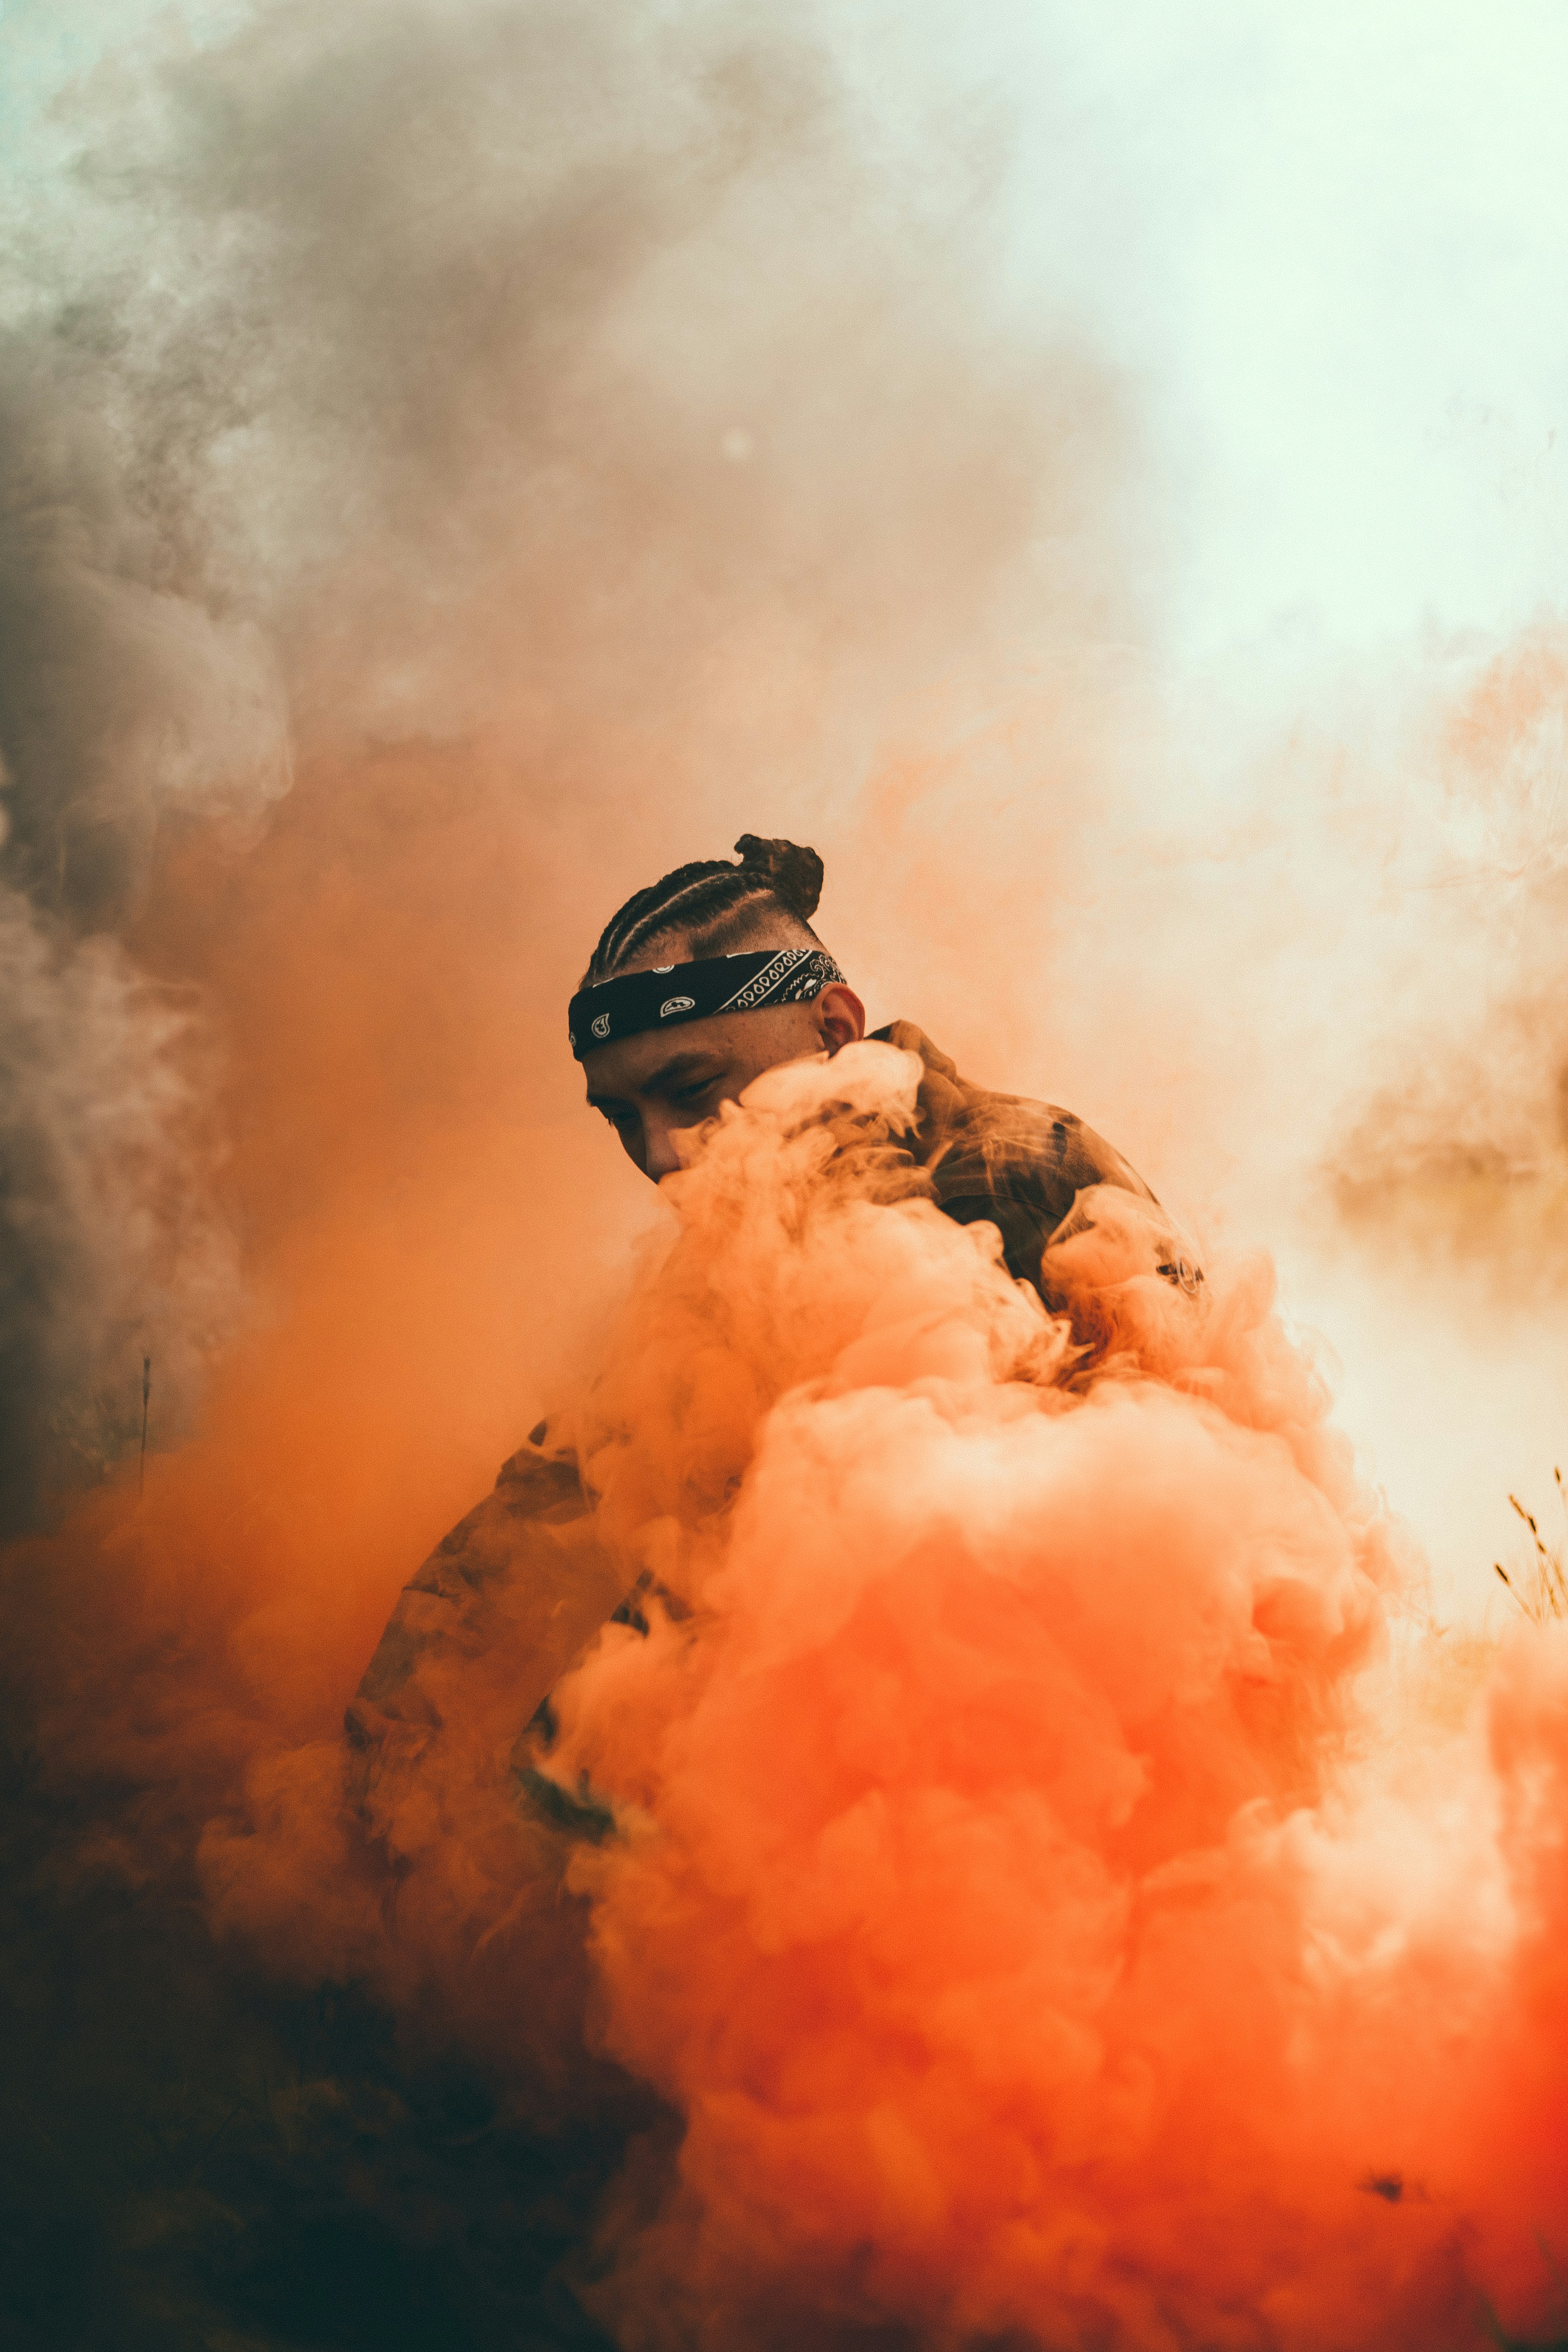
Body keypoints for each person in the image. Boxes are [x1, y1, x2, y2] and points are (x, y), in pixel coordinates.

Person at [346, 835, 1200, 1823]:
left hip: (1035, 1803)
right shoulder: (726, 1249)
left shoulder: (1013, 1176)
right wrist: (381, 1735)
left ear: (835, 1027)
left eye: (692, 1089)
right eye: (621, 1115)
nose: (661, 1154)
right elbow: (542, 1504)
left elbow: (1132, 1540)